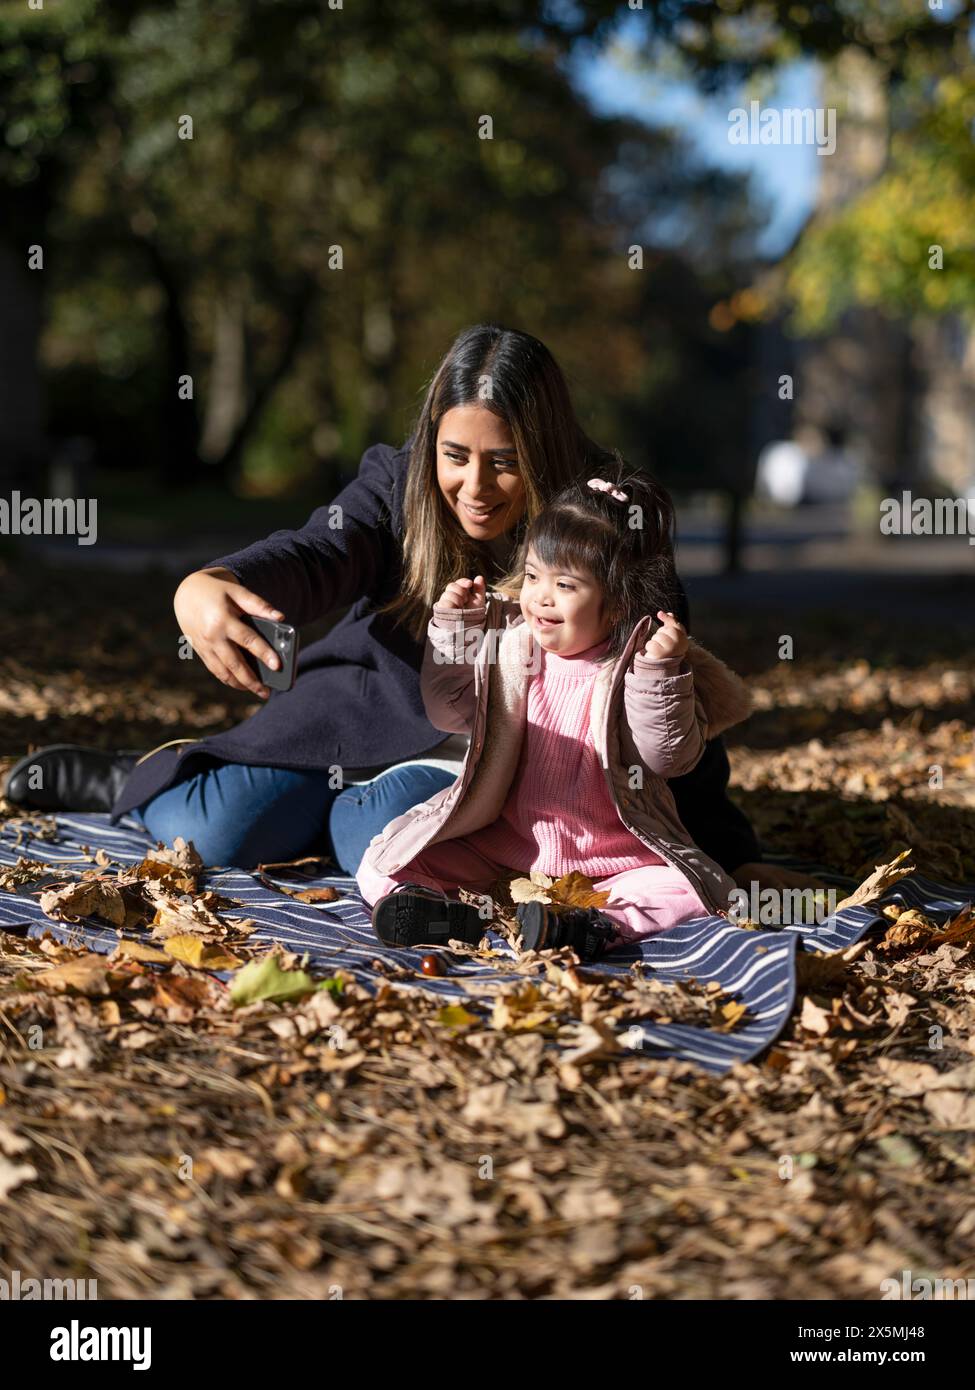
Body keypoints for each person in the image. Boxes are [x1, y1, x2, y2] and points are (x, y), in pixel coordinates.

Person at [4, 323, 803, 894]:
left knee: (369, 841)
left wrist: (728, 853)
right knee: (217, 834)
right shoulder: (396, 480)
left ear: (547, 450)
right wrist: (208, 581)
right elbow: (318, 552)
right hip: (350, 715)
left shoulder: (608, 519)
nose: (474, 487)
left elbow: (664, 684)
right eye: (455, 458)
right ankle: (132, 776)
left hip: (483, 760)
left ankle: (321, 818)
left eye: (505, 464)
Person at [358, 468, 757, 961]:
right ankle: (427, 910)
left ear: (616, 605)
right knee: (384, 858)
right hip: (507, 848)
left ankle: (589, 927)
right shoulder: (511, 648)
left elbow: (668, 756)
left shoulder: (632, 665)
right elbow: (448, 711)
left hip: (614, 861)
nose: (540, 596)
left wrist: (659, 673)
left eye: (565, 584)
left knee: (687, 889)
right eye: (531, 575)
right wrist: (456, 628)